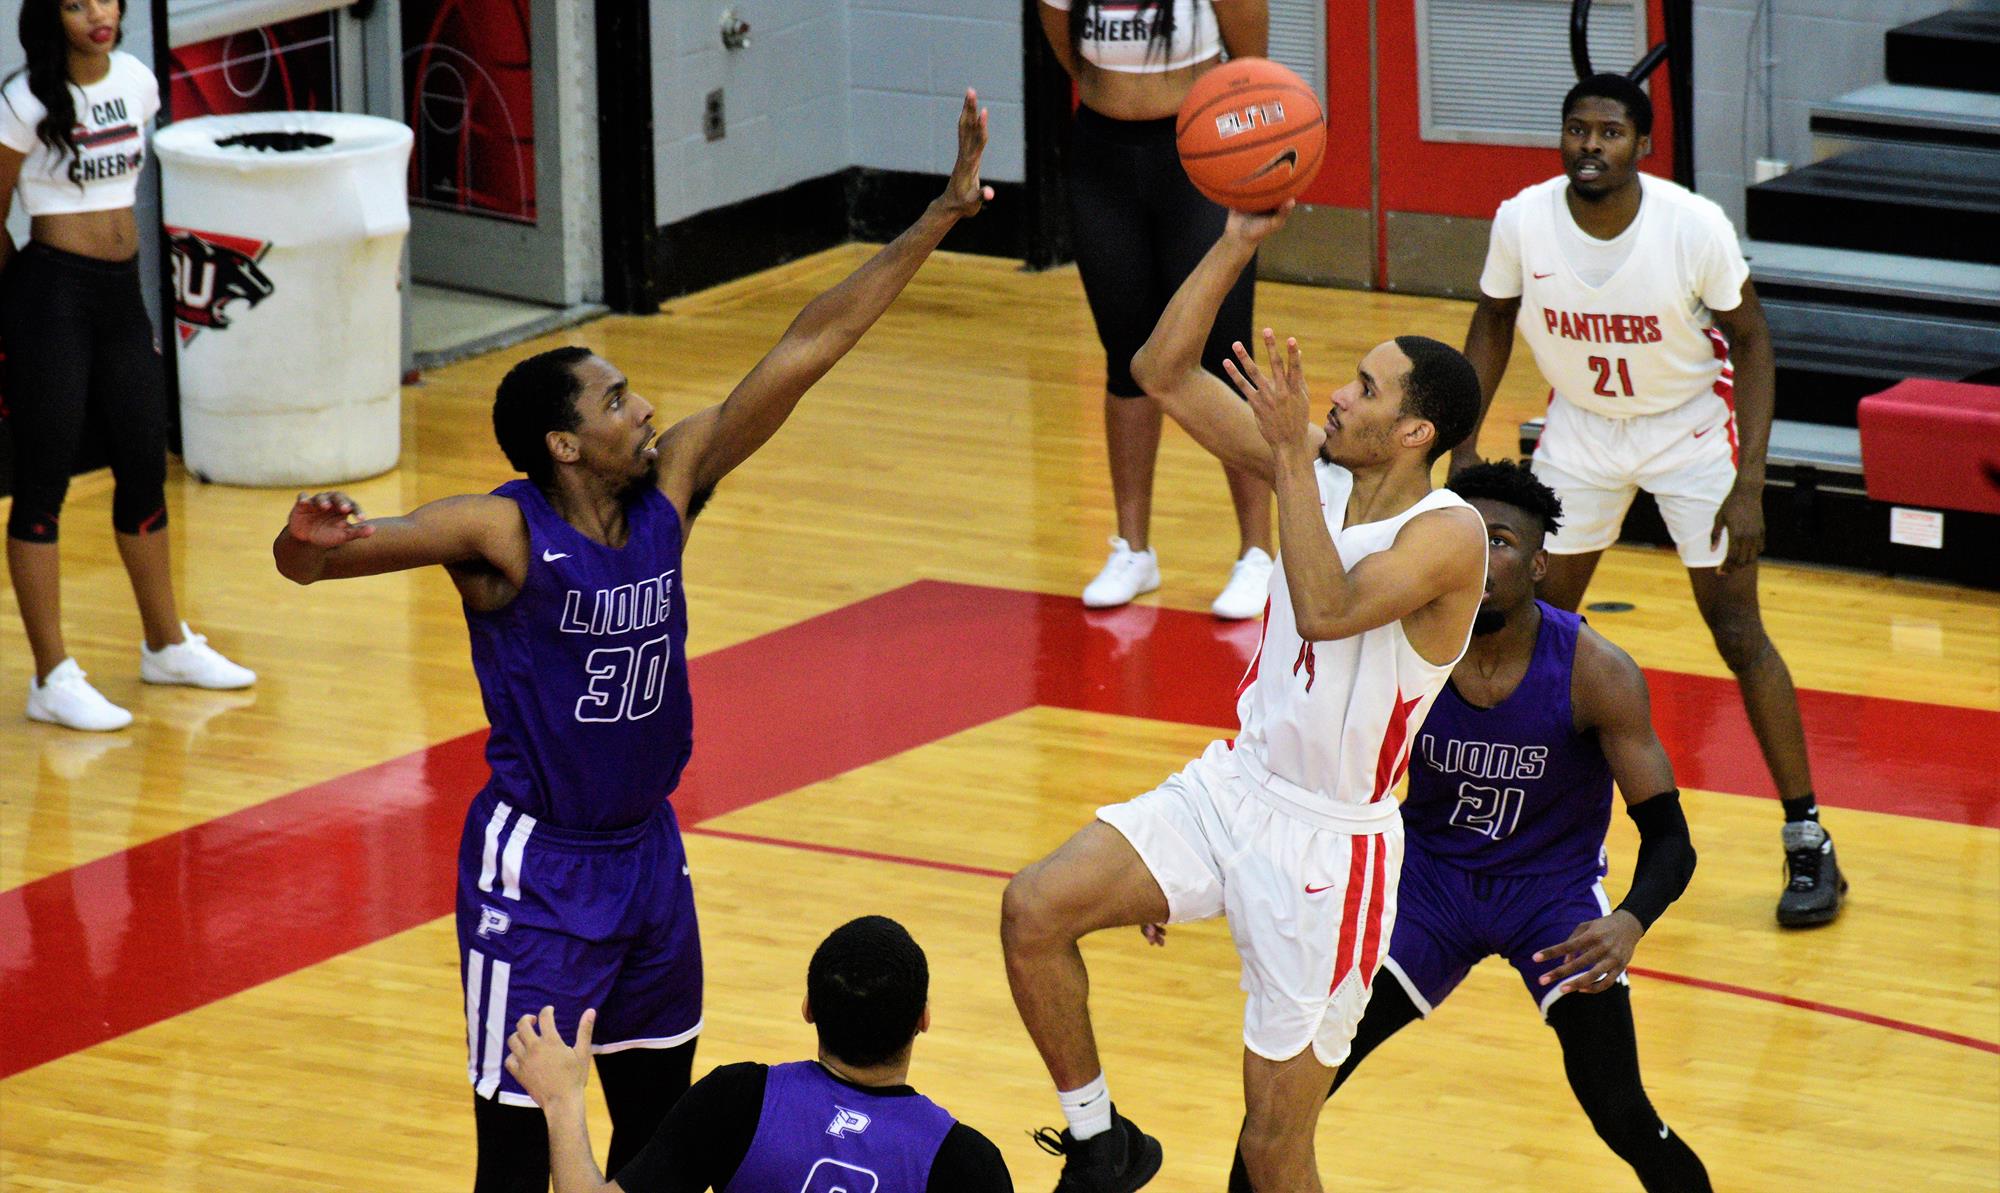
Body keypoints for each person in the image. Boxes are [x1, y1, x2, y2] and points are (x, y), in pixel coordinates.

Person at [272, 94, 992, 1193]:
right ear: (564, 444)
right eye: (616, 401)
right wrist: (305, 537)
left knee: (661, 1141)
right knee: (518, 1161)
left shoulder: (673, 488)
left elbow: (809, 345)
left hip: (649, 856)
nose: (645, 406)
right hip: (539, 875)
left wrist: (936, 215)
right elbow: (318, 564)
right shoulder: (502, 532)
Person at [1002, 202, 1487, 1193]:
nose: (1337, 397)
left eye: (1364, 388)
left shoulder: (1448, 536)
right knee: (1034, 909)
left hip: (1329, 850)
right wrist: (1230, 242)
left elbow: (1324, 606)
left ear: (1415, 431)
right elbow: (1158, 370)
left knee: (1271, 1149)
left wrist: (1287, 458)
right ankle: (1099, 1141)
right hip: (1233, 787)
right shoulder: (1314, 471)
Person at [1220, 461, 1711, 1192]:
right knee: (1284, 1106)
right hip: (1424, 889)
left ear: (1539, 564)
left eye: (1501, 542)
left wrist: (1630, 920)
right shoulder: (1402, 645)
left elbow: (1670, 837)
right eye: (1469, 538)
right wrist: (1207, 870)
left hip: (1549, 898)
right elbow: (1287, 767)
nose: (1480, 557)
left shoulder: (1596, 672)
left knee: (1622, 1113)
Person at [1454, 74, 1843, 928]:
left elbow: (1754, 342)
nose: (1590, 145)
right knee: (1536, 625)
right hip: (1581, 427)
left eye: (1609, 132)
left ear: (1643, 145)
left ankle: (1808, 835)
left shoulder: (1691, 225)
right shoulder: (1522, 219)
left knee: (1736, 628)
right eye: (1577, 129)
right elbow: (1492, 320)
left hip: (1687, 428)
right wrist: (1465, 440)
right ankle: (1528, 820)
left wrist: (1750, 483)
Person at [1, 0, 255, 732]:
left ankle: (165, 643)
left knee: (144, 462)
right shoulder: (23, 100)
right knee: (43, 480)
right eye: (75, 3)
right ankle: (51, 677)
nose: (97, 14)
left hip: (121, 296)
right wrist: (15, 305)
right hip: (51, 295)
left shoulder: (137, 81)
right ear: (52, 15)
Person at [1035, 0, 1276, 619]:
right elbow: (1069, 56)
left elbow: (1251, 63)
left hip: (1201, 158)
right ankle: (1133, 550)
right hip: (1102, 159)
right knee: (1127, 354)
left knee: (1226, 353)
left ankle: (1258, 554)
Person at [506, 915, 1014, 1193]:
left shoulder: (736, 1101)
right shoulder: (966, 1164)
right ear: (923, 1018)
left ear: (808, 1008)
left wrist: (562, 1100)